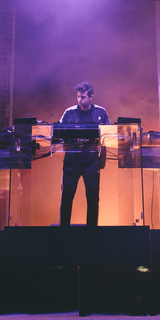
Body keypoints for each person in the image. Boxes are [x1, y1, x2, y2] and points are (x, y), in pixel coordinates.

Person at [57, 82, 110, 226]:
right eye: (78, 97)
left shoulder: (101, 113)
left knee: (93, 198)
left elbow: (109, 135)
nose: (80, 100)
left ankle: (92, 231)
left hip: (91, 162)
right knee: (67, 196)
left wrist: (102, 160)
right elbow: (58, 133)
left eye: (84, 97)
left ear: (91, 96)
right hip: (71, 161)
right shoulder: (69, 113)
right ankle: (64, 231)